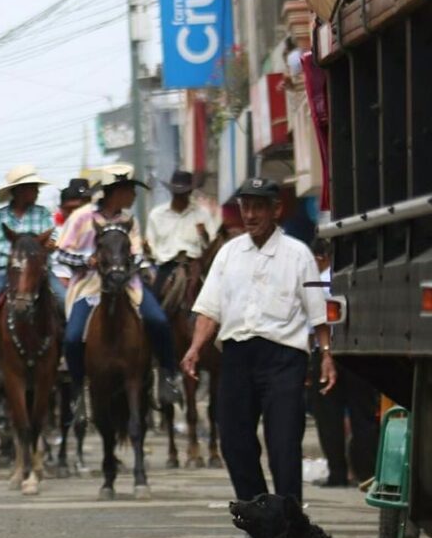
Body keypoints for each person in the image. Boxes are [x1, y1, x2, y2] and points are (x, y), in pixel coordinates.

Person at [182, 177, 335, 504]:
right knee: (234, 441)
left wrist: (326, 355)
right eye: (245, 207)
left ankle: (290, 521)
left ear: (275, 210)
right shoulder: (228, 254)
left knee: (283, 443)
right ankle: (258, 513)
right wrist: (195, 348)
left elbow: (318, 314)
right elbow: (209, 309)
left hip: (284, 359)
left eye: (258, 207)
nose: (250, 215)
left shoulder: (299, 255)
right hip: (237, 358)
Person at [55, 167, 181, 406]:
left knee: (159, 321)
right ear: (116, 192)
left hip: (127, 284)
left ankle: (167, 375)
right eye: (130, 190)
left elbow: (136, 252)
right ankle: (79, 390)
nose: (133, 196)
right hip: (90, 287)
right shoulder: (82, 217)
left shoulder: (128, 221)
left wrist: (138, 267)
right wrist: (86, 261)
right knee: (72, 338)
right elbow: (61, 253)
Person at [0, 164, 66, 356]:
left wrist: (50, 244)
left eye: (36, 187)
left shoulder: (42, 214)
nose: (36, 191)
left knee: (65, 302)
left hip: (39, 271)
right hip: (5, 272)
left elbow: (53, 237)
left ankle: (64, 353)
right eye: (31, 187)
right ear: (18, 191)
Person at [306, 239, 379, 487]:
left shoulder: (319, 284)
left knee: (328, 418)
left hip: (326, 353)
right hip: (360, 354)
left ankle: (337, 473)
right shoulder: (362, 279)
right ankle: (367, 474)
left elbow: (313, 325)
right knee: (364, 416)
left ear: (321, 257)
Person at [145, 169, 217, 299]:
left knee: (213, 299)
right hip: (166, 267)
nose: (180, 197)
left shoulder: (202, 213)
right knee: (152, 307)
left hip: (194, 266)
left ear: (189, 192)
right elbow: (151, 245)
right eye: (177, 193)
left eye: (184, 193)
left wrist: (204, 235)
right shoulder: (156, 215)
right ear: (171, 192)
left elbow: (212, 244)